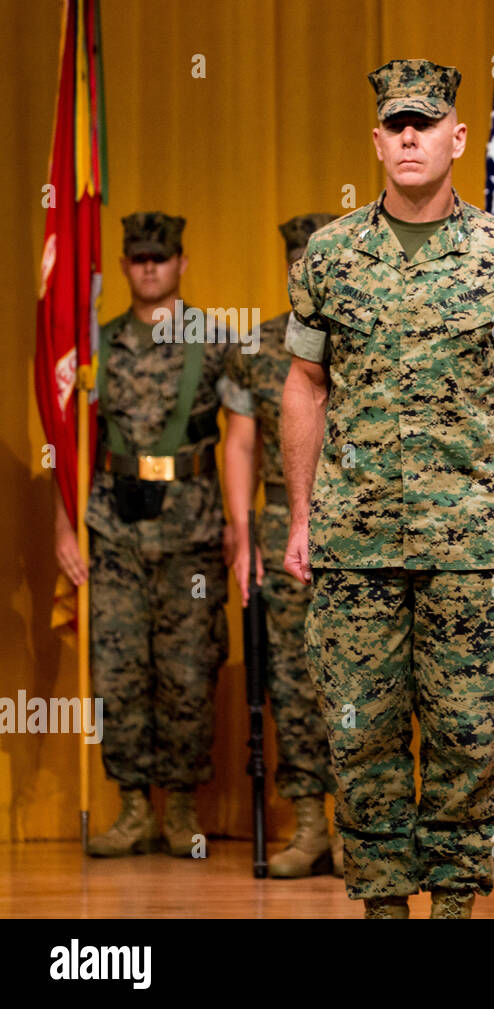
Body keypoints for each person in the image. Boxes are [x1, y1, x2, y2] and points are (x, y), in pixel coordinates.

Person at [279, 59, 494, 919]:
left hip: (470, 543)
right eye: (395, 125)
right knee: (360, 731)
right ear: (375, 140)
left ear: (457, 138)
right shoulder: (329, 254)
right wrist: (299, 518)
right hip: (353, 541)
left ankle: (455, 904)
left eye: (424, 124)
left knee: (467, 737)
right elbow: (304, 386)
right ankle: (381, 905)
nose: (409, 137)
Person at [54, 211, 245, 858]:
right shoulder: (97, 347)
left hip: (192, 527)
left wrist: (241, 527)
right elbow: (70, 444)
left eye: (160, 258)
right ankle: (134, 807)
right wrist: (64, 523)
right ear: (126, 263)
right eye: (138, 258)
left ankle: (182, 808)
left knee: (190, 672)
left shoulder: (215, 343)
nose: (149, 268)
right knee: (118, 671)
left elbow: (245, 436)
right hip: (114, 528)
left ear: (181, 264)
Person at [224, 213, 342, 878]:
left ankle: (361, 827)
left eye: (315, 260)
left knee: (364, 682)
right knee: (293, 684)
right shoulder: (261, 344)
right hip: (281, 525)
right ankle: (309, 825)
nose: (307, 271)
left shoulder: (365, 330)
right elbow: (241, 442)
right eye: (297, 261)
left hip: (359, 526)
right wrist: (244, 535)